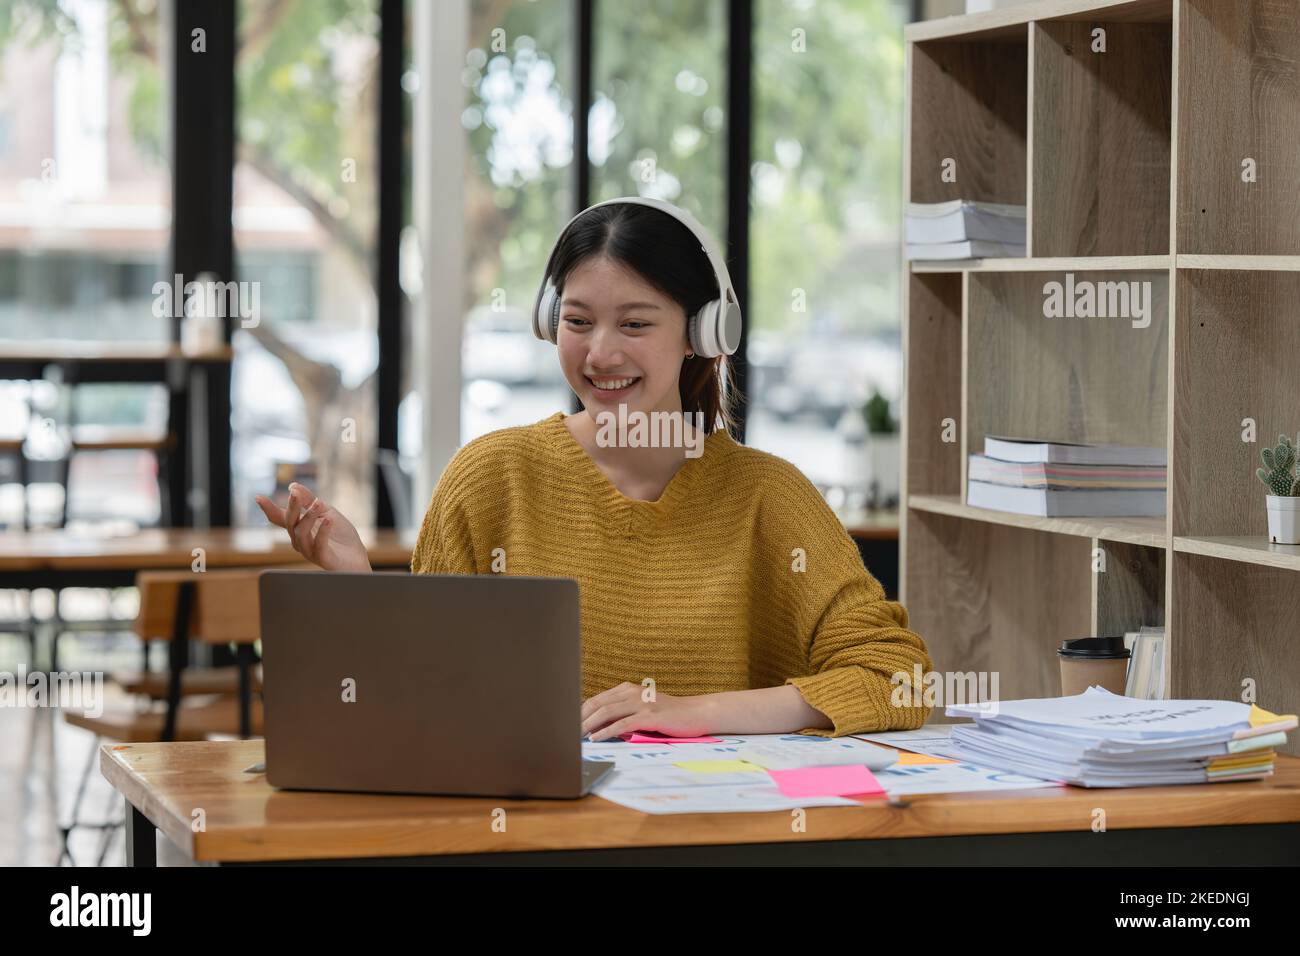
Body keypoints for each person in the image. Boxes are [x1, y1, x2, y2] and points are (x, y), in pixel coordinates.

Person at [257, 197, 933, 742]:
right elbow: (421, 699)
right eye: (578, 321)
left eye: (635, 325)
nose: (600, 353)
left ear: (702, 336)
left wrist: (700, 713)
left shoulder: (767, 495)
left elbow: (899, 677)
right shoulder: (492, 477)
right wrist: (358, 588)